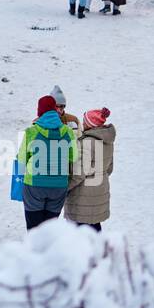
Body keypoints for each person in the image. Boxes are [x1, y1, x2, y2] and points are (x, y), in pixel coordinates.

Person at [17, 95, 77, 230]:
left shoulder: (31, 131)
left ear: (40, 111)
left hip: (34, 185)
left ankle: (34, 250)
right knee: (50, 230)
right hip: (59, 186)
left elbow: (21, 159)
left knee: (34, 229)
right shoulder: (68, 131)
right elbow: (73, 157)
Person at [65, 108, 115, 231]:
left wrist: (65, 188)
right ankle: (98, 249)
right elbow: (109, 168)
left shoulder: (86, 143)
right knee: (94, 227)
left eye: (84, 121)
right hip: (100, 190)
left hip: (83, 196)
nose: (82, 124)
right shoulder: (107, 141)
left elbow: (78, 175)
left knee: (80, 230)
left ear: (90, 124)